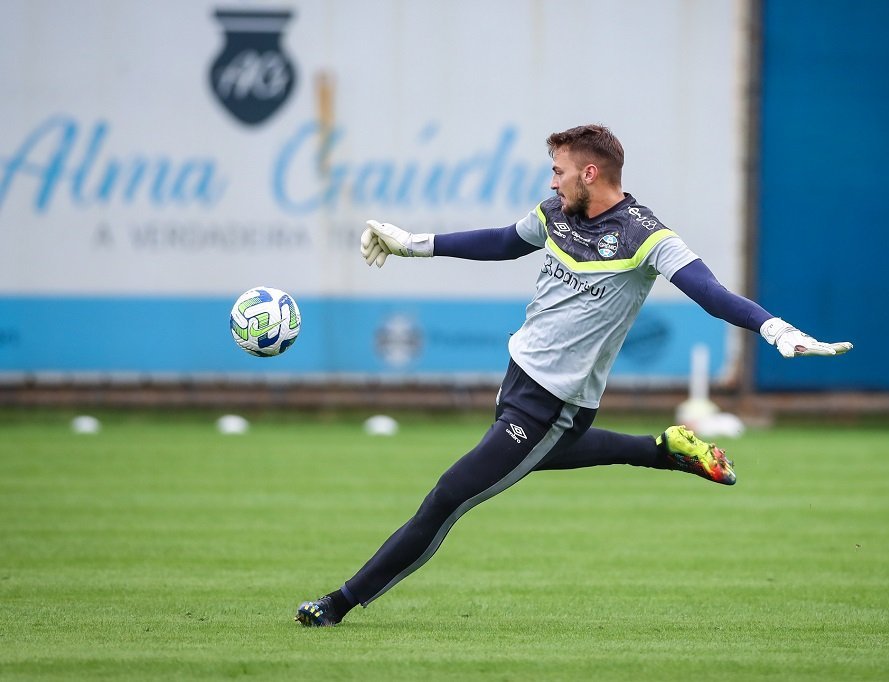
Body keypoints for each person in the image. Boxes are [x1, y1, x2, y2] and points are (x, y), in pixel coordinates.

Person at [295, 124, 852, 627]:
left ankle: (337, 603)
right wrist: (411, 244)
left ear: (591, 172)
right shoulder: (555, 214)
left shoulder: (649, 238)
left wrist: (776, 330)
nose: (552, 181)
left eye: (559, 171)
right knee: (546, 454)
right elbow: (501, 242)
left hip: (552, 404)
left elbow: (711, 294)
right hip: (518, 380)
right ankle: (665, 450)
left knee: (447, 498)